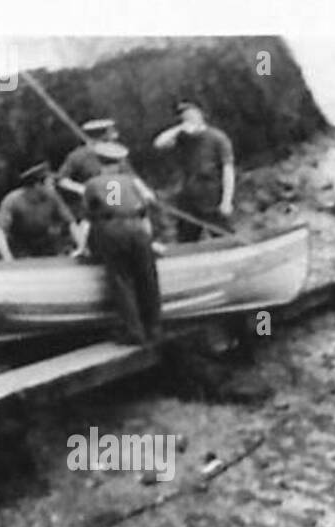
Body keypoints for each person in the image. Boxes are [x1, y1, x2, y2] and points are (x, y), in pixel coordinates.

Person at [77, 141, 162, 346]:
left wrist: (82, 247)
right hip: (138, 229)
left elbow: (87, 218)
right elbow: (147, 206)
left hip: (113, 231)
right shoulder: (131, 181)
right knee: (147, 277)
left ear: (99, 162)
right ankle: (154, 328)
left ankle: (134, 331)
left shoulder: (93, 184)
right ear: (120, 162)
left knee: (121, 280)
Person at [152, 99, 235, 242]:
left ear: (200, 115)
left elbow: (228, 171)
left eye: (190, 115)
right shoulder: (181, 138)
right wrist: (179, 128)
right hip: (188, 196)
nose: (187, 118)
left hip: (211, 194)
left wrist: (226, 201)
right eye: (184, 116)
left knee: (224, 237)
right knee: (186, 238)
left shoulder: (217, 137)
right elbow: (159, 144)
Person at [0, 162, 82, 260]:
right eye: (49, 182)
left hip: (47, 247)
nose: (52, 185)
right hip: (20, 248)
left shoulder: (52, 197)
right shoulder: (12, 200)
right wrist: (7, 257)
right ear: (38, 185)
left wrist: (81, 247)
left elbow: (71, 223)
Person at [57, 118, 120, 209]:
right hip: (94, 209)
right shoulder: (79, 156)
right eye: (110, 131)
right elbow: (62, 179)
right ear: (101, 135)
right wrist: (83, 190)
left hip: (118, 206)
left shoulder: (117, 153)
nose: (114, 136)